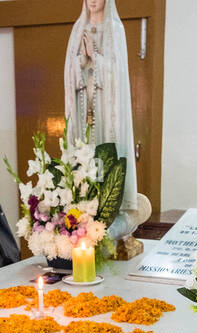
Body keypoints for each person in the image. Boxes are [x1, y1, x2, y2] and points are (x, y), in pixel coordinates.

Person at [63, 0, 139, 236]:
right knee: (83, 161)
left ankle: (109, 217)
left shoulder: (115, 29)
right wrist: (82, 62)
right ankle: (83, 213)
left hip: (106, 113)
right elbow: (69, 72)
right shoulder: (78, 29)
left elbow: (117, 75)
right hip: (83, 106)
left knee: (107, 158)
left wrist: (95, 57)